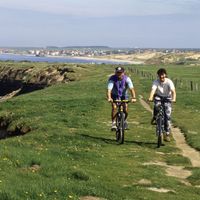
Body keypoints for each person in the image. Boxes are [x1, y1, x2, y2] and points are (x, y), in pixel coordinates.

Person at [148, 68, 176, 142]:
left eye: (163, 75)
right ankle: (155, 117)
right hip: (159, 96)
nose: (161, 77)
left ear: (165, 75)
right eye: (160, 75)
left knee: (167, 116)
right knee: (156, 106)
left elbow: (173, 91)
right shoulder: (156, 81)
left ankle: (167, 133)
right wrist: (150, 97)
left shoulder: (169, 82)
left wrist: (174, 99)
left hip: (167, 98)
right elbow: (153, 90)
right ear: (158, 75)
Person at [107, 66, 136, 130]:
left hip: (124, 95)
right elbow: (109, 90)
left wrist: (134, 97)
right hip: (114, 95)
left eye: (120, 73)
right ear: (115, 73)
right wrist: (109, 98)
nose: (119, 74)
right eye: (117, 73)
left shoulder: (127, 79)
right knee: (114, 107)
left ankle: (124, 120)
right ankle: (113, 123)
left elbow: (131, 89)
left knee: (125, 108)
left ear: (123, 73)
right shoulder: (112, 79)